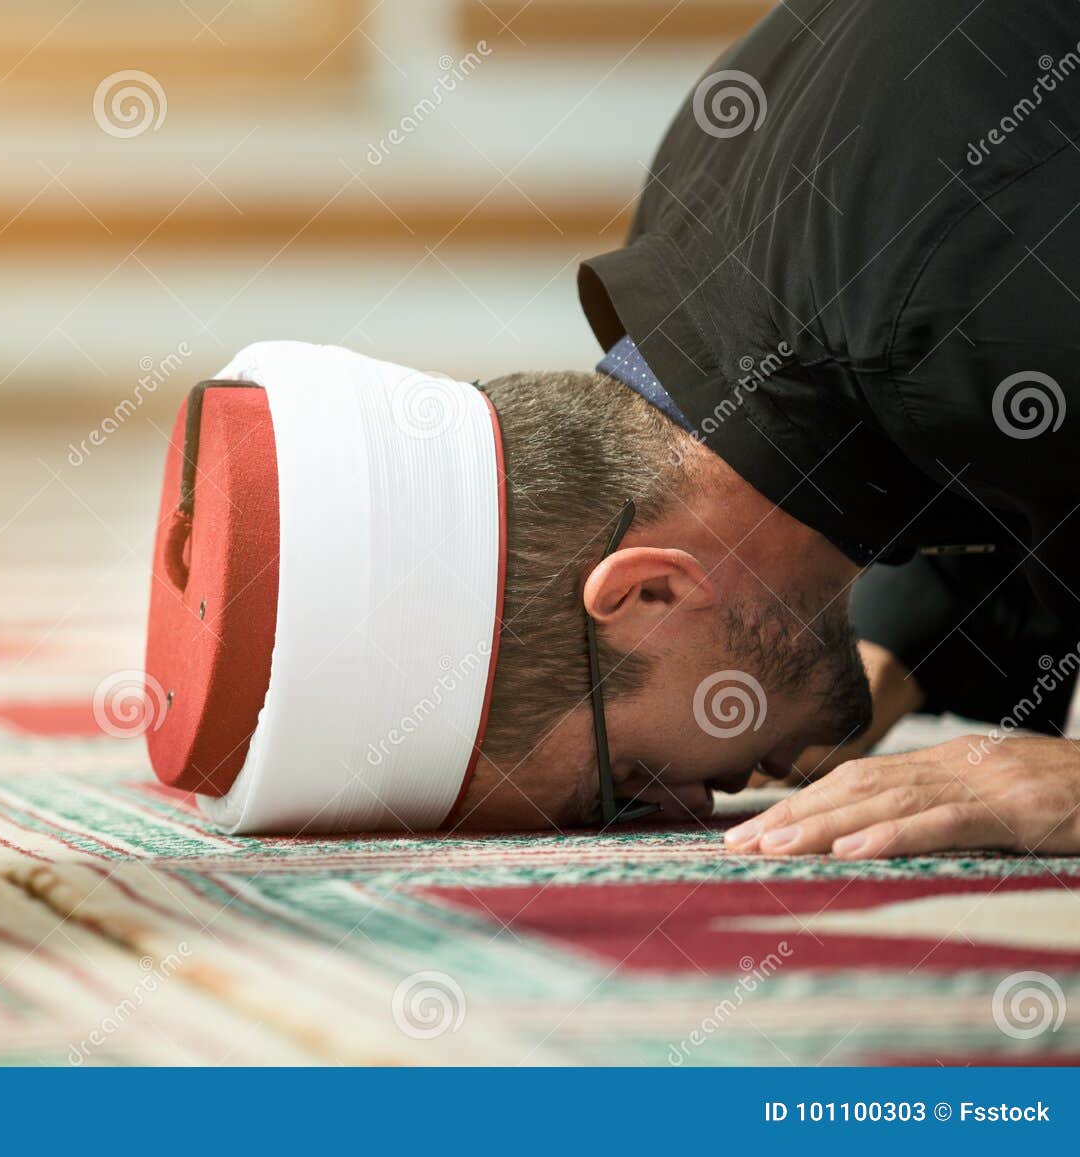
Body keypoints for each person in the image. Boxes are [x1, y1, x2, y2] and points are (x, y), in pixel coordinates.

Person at [461, 0, 1080, 858]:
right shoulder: (693, 214)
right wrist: (896, 644)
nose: (695, 803)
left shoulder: (951, 314)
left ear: (649, 591)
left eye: (626, 782)